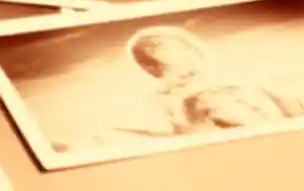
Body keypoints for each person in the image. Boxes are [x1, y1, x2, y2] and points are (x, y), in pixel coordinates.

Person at [126, 25, 304, 135]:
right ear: (154, 71)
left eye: (191, 56)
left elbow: (281, 99)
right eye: (181, 70)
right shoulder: (170, 102)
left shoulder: (239, 84)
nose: (190, 69)